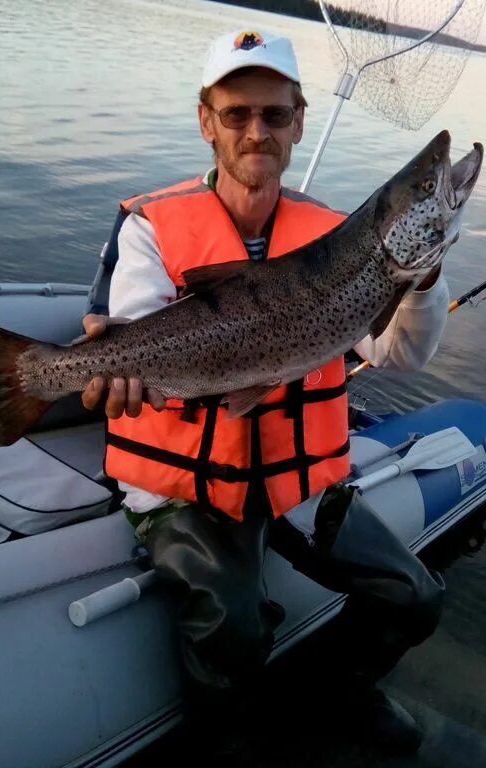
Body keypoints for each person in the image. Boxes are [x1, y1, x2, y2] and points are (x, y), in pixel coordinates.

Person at [81, 29, 452, 757]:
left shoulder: (338, 237)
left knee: (414, 595)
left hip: (296, 479)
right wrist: (105, 364)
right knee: (232, 625)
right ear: (206, 120)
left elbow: (400, 352)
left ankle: (337, 696)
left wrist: (425, 278)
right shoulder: (152, 228)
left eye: (275, 115)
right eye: (237, 113)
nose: (257, 130)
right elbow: (128, 330)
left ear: (299, 122)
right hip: (186, 487)